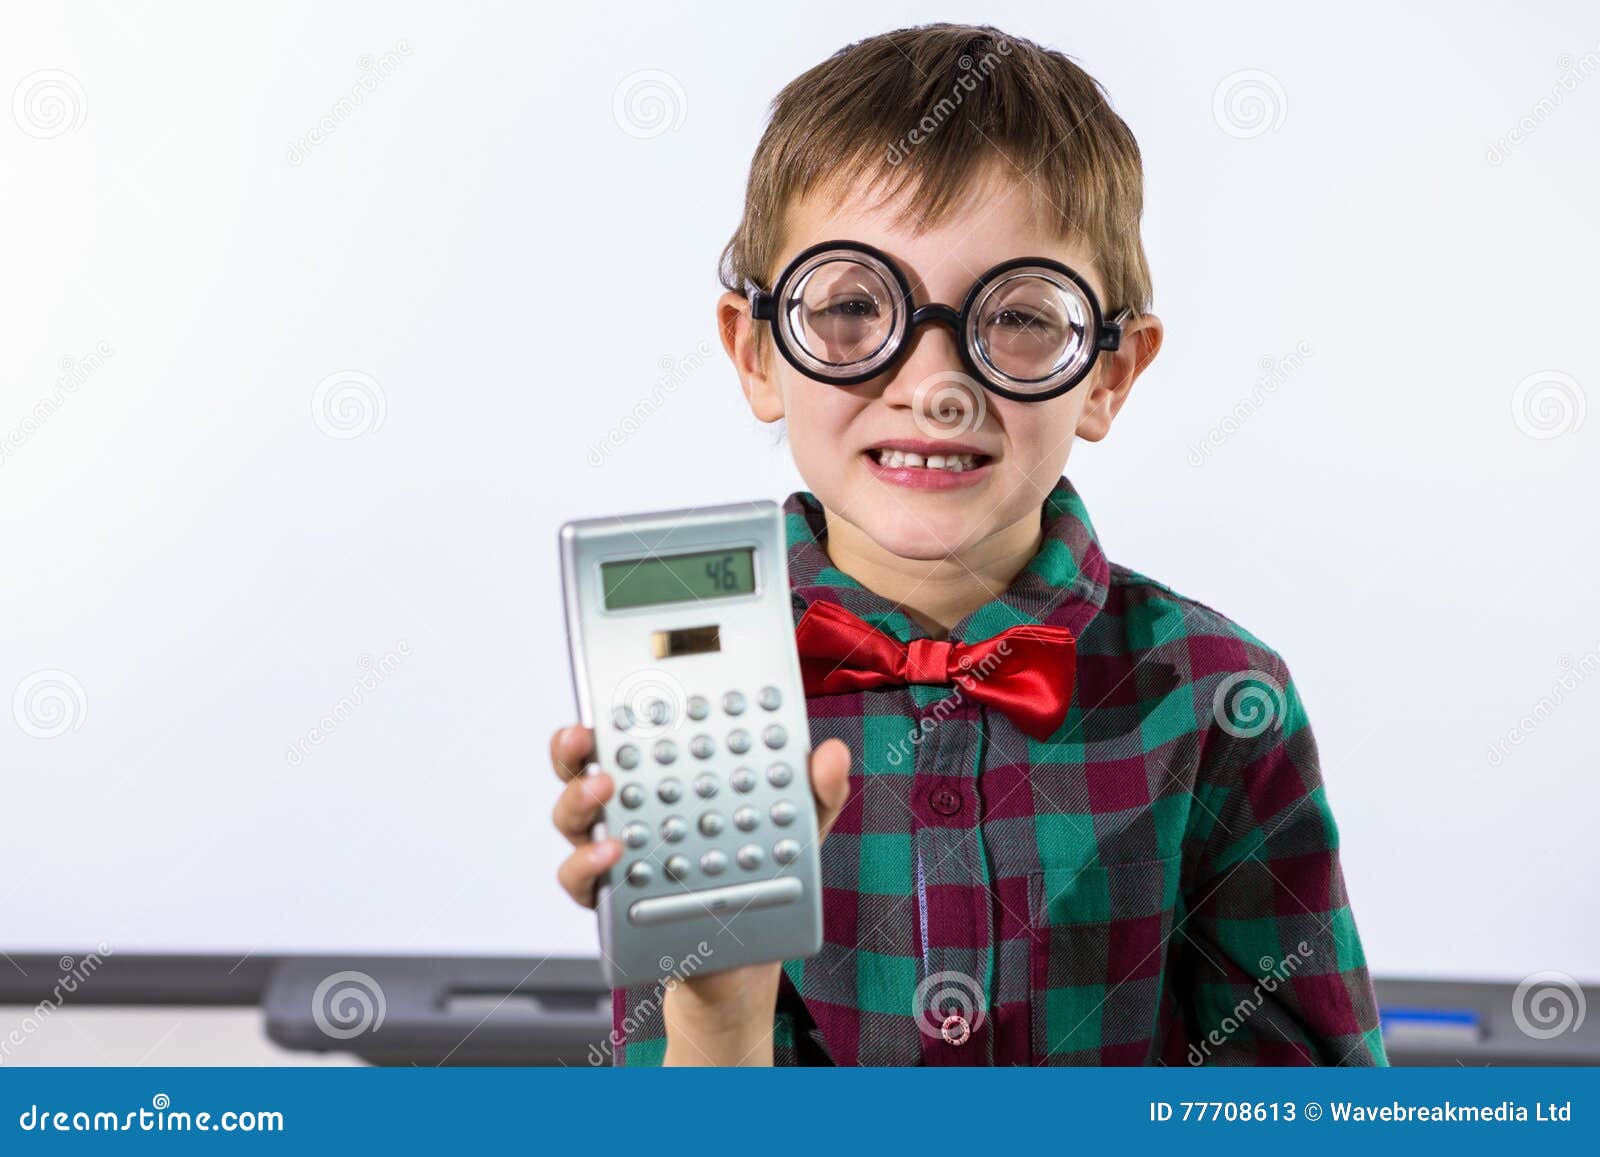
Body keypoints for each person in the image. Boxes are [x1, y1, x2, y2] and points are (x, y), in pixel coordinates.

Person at [549, 22, 1385, 1066]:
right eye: (852, 306)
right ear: (757, 351)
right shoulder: (694, 687)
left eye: (1020, 319)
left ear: (1110, 375)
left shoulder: (1219, 695)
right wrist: (713, 1014)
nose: (935, 383)